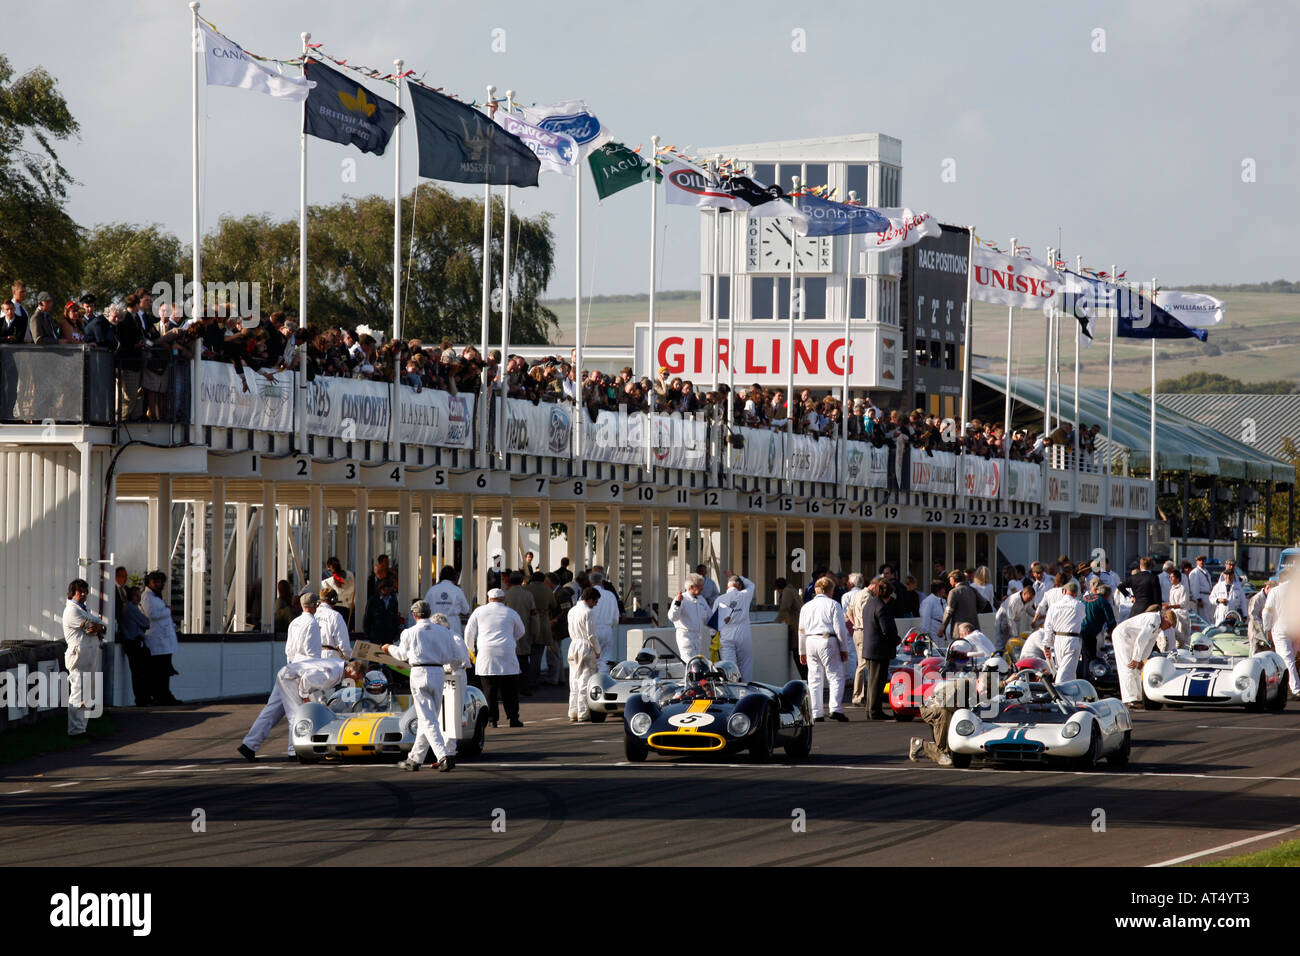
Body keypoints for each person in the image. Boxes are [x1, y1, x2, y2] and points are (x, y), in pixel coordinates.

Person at [238, 591, 323, 761]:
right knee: (296, 711)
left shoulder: (295, 622)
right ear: (314, 606)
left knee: (271, 710)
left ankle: (249, 744)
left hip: (289, 666)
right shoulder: (312, 624)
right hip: (301, 669)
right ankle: (295, 750)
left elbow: (288, 650)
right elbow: (313, 654)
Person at [387, 601, 467, 772]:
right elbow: (451, 656)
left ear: (414, 615)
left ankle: (443, 755)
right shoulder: (444, 632)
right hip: (438, 673)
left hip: (419, 672)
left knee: (428, 719)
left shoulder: (409, 632)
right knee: (429, 718)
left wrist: (388, 649)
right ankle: (415, 758)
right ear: (429, 613)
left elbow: (401, 654)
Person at [465, 588, 526, 727]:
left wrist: (471, 650)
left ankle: (492, 720)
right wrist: (510, 639)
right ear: (503, 599)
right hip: (507, 652)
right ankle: (513, 718)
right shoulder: (511, 612)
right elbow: (521, 631)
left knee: (489, 689)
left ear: (488, 599)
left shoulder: (479, 612)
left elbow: (469, 631)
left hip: (486, 653)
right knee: (510, 689)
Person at [799, 575, 851, 722]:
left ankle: (817, 712)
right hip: (827, 640)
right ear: (830, 590)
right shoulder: (834, 604)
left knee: (814, 678)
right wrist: (844, 648)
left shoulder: (806, 607)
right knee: (835, 675)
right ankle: (835, 708)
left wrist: (801, 651)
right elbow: (840, 629)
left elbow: (801, 630)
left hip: (810, 640)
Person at [63, 579, 107, 736]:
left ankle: (82, 728)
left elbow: (101, 625)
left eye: (85, 591)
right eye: (79, 592)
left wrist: (100, 627)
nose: (83, 594)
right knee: (78, 691)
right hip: (78, 656)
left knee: (88, 693)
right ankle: (75, 730)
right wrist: (99, 627)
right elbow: (90, 627)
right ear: (72, 593)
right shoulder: (72, 611)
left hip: (88, 655)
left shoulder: (83, 609)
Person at [1111, 607, 1177, 709]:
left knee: (1136, 669)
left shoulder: (1159, 626)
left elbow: (1149, 644)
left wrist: (1141, 659)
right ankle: (1129, 699)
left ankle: (1137, 698)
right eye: (1169, 625)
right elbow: (1142, 639)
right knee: (1127, 667)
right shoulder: (1153, 619)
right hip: (1122, 636)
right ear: (1164, 618)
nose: (1168, 628)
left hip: (1131, 638)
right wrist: (1136, 658)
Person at [856, 576, 899, 719]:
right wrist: (896, 640)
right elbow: (886, 630)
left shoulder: (870, 604)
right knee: (878, 682)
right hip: (880, 649)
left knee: (872, 681)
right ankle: (875, 711)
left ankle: (870, 709)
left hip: (870, 647)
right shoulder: (882, 608)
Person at [140, 572, 182, 705]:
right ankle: (160, 696)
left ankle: (165, 695)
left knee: (165, 670)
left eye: (160, 582)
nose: (158, 585)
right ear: (149, 583)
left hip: (164, 640)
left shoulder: (156, 596)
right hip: (156, 640)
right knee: (159, 672)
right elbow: (151, 614)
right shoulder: (147, 596)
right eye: (155, 582)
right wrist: (167, 611)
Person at [566, 588, 602, 721]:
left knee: (573, 680)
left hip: (573, 644)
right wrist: (597, 650)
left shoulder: (572, 611)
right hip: (585, 646)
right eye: (596, 601)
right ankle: (583, 713)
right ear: (591, 599)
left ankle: (572, 712)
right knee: (585, 680)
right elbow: (591, 635)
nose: (596, 604)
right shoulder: (589, 612)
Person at [502, 570, 538, 694]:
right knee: (524, 661)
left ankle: (511, 688)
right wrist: (535, 632)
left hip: (508, 632)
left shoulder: (506, 595)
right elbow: (534, 615)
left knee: (509, 660)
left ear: (510, 581)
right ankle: (525, 687)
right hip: (525, 631)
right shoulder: (528, 595)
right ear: (522, 580)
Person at [1263, 570, 1298, 697]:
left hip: (1280, 629)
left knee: (1286, 660)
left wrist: (1267, 629)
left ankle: (1295, 689)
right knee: (1291, 659)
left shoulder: (1275, 591)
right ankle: (1287, 687)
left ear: (1280, 579)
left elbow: (1266, 612)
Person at [713, 575, 755, 681]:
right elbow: (751, 585)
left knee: (729, 667)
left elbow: (713, 624)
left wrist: (713, 637)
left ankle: (732, 690)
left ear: (728, 587)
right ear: (739, 586)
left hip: (726, 636)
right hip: (743, 635)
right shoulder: (744, 595)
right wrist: (739, 576)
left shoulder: (719, 599)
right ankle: (745, 690)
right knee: (746, 665)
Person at [1042, 579, 1085, 682]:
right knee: (1065, 674)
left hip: (1058, 641)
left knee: (1064, 670)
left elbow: (1048, 627)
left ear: (1064, 591)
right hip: (1071, 640)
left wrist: (1047, 645)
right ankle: (1060, 694)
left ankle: (1070, 695)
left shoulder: (1054, 606)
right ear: (1075, 593)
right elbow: (1082, 618)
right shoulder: (1079, 605)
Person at [526, 571, 560, 685]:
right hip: (543, 623)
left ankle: (526, 679)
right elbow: (554, 605)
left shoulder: (526, 589)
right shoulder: (548, 590)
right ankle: (534, 678)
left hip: (528, 623)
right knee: (538, 654)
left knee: (525, 653)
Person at [668, 574, 711, 662]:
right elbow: (672, 617)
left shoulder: (701, 599)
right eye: (700, 586)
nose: (702, 588)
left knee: (697, 664)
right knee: (690, 664)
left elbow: (709, 617)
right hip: (686, 637)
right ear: (691, 587)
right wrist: (677, 603)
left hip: (698, 637)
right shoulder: (681, 599)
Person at [587, 569, 620, 674]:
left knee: (591, 660)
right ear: (602, 581)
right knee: (605, 660)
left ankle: (591, 684)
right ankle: (602, 683)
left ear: (590, 582)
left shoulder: (585, 596)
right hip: (607, 630)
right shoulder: (610, 595)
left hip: (591, 630)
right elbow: (616, 618)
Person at [424, 565, 471, 637]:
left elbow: (425, 608)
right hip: (453, 625)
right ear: (454, 577)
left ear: (441, 576)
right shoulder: (457, 590)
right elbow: (466, 610)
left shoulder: (432, 590)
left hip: (435, 624)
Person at [773, 577, 804, 678]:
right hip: (800, 625)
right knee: (799, 654)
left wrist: (776, 622)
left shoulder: (786, 592)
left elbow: (784, 608)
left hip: (796, 626)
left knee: (797, 654)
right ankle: (806, 678)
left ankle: (806, 679)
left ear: (777, 588)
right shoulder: (792, 590)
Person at [939, 570, 979, 644]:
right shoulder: (972, 590)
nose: (949, 582)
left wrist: (942, 628)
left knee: (960, 651)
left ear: (954, 580)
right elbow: (983, 603)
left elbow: (948, 612)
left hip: (959, 630)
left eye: (950, 579)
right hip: (974, 627)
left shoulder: (953, 592)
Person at [995, 584, 1036, 652]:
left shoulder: (1027, 600)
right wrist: (1015, 635)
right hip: (1004, 618)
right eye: (1029, 598)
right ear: (1024, 593)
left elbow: (1029, 609)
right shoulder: (1014, 600)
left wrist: (1037, 615)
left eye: (1031, 599)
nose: (1030, 600)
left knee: (1013, 644)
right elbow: (1010, 619)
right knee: (1001, 642)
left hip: (1014, 620)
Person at [364, 576, 403, 646]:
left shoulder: (393, 600)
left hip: (389, 634)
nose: (388, 590)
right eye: (386, 588)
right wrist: (367, 633)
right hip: (376, 633)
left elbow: (395, 617)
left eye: (390, 588)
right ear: (382, 588)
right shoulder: (373, 600)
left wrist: (396, 632)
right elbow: (367, 616)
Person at [316, 587, 352, 660]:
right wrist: (348, 657)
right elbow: (343, 643)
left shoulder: (312, 614)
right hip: (330, 657)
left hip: (313, 656)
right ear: (334, 601)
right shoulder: (335, 616)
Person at [321, 558, 357, 626]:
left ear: (329, 568)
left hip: (336, 609)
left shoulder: (326, 580)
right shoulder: (350, 575)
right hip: (349, 609)